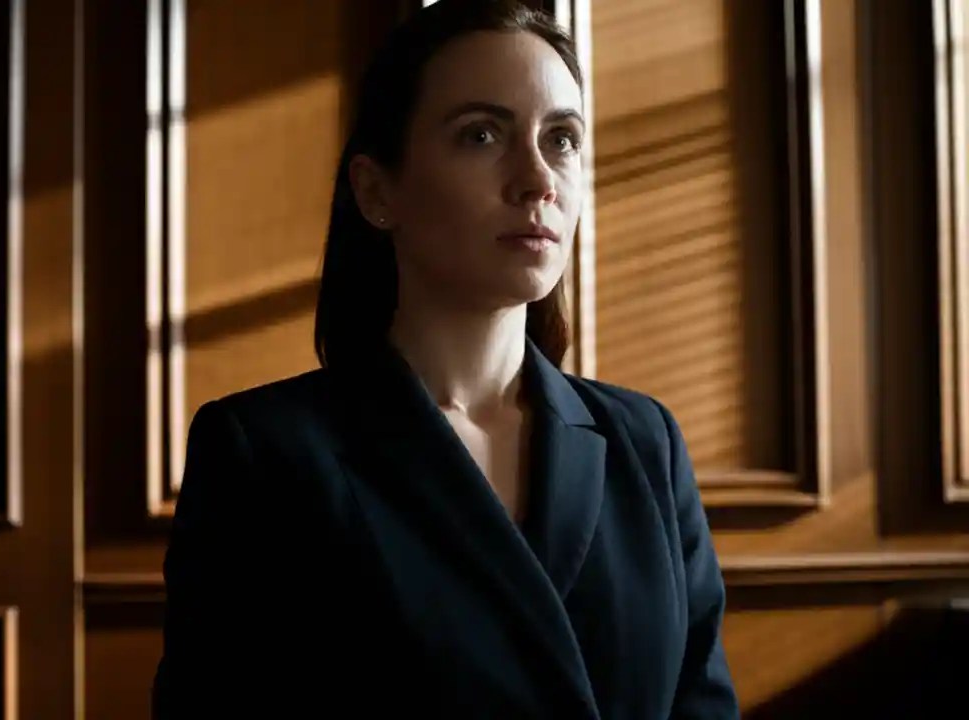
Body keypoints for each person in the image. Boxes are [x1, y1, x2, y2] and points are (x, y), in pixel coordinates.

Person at [151, 0, 739, 717]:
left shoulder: (646, 443)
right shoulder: (265, 454)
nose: (536, 180)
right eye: (482, 134)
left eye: (561, 139)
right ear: (376, 190)